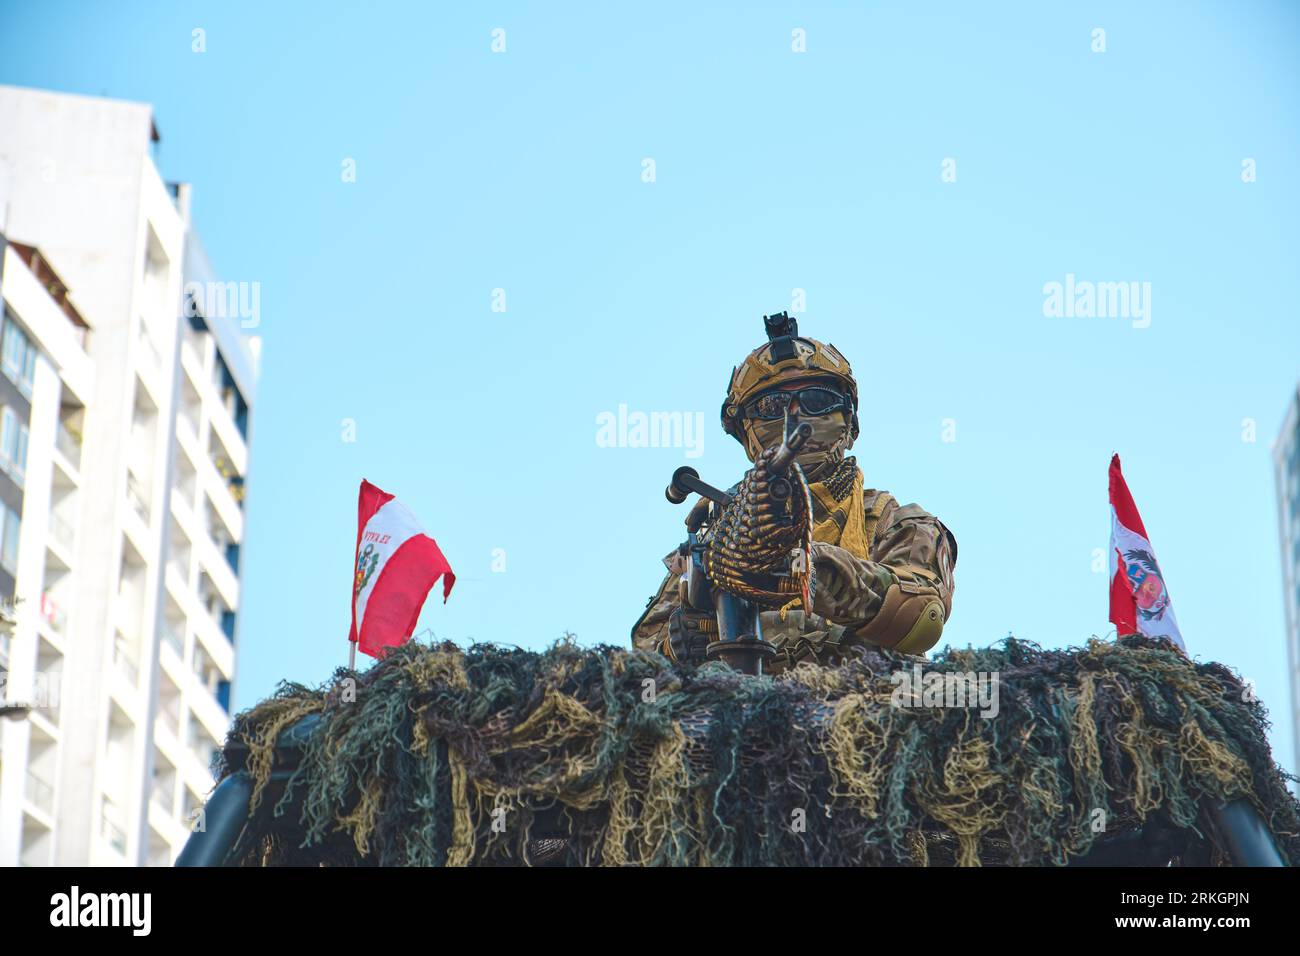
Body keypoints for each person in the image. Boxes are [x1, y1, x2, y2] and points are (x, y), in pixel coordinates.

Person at [631, 313, 956, 671]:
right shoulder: (714, 531)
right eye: (770, 407)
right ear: (746, 432)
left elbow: (921, 616)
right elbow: (644, 657)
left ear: (850, 425)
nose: (795, 413)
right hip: (738, 710)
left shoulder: (893, 520)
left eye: (817, 399)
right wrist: (680, 642)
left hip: (866, 703)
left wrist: (804, 566)